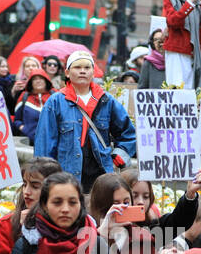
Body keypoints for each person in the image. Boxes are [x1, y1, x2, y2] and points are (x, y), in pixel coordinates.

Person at [33, 51, 135, 191]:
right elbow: (44, 145)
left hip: (101, 175)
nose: (82, 71)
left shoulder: (106, 100)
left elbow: (129, 133)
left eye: (87, 68)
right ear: (67, 73)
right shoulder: (55, 102)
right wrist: (43, 178)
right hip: (65, 175)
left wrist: (119, 156)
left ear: (93, 72)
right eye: (77, 67)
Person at [12, 68, 54, 144]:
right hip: (30, 142)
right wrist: (24, 129)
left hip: (54, 141)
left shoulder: (55, 96)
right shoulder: (24, 97)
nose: (38, 81)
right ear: (31, 82)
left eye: (41, 78)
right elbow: (17, 120)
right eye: (35, 79)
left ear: (46, 80)